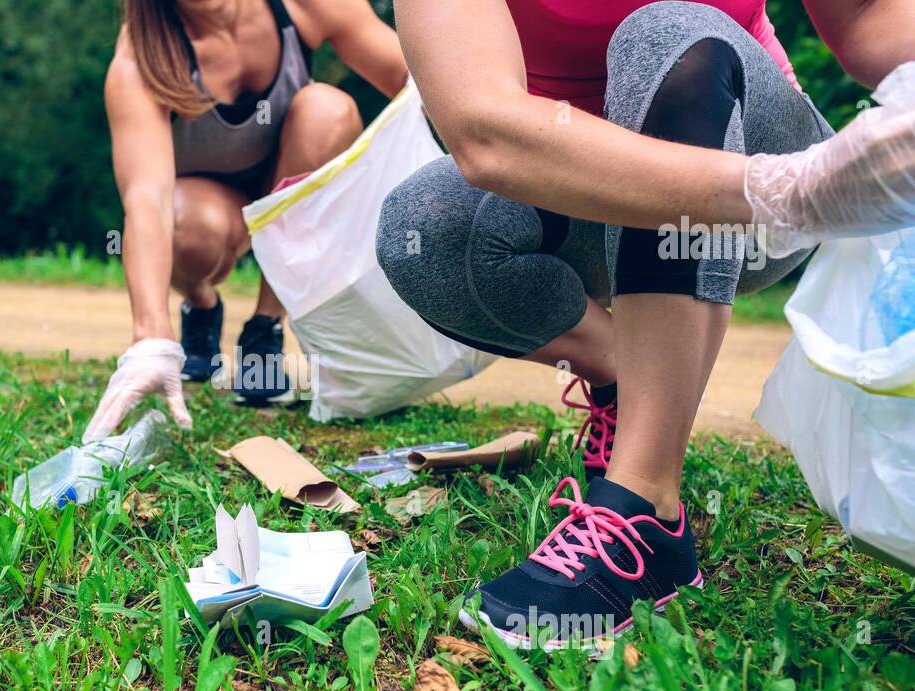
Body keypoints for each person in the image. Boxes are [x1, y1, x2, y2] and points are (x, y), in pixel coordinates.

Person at [376, 0, 915, 648]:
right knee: (423, 228)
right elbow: (483, 128)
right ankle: (630, 384)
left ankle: (644, 503)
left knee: (668, 34)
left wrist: (808, 180)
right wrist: (784, 188)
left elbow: (867, 16)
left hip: (745, 145)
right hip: (710, 186)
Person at [84, 0, 408, 441]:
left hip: (289, 184)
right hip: (206, 205)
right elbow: (148, 199)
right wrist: (150, 341)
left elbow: (418, 87)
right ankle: (200, 306)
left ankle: (264, 332)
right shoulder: (140, 60)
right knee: (187, 226)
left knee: (328, 111)